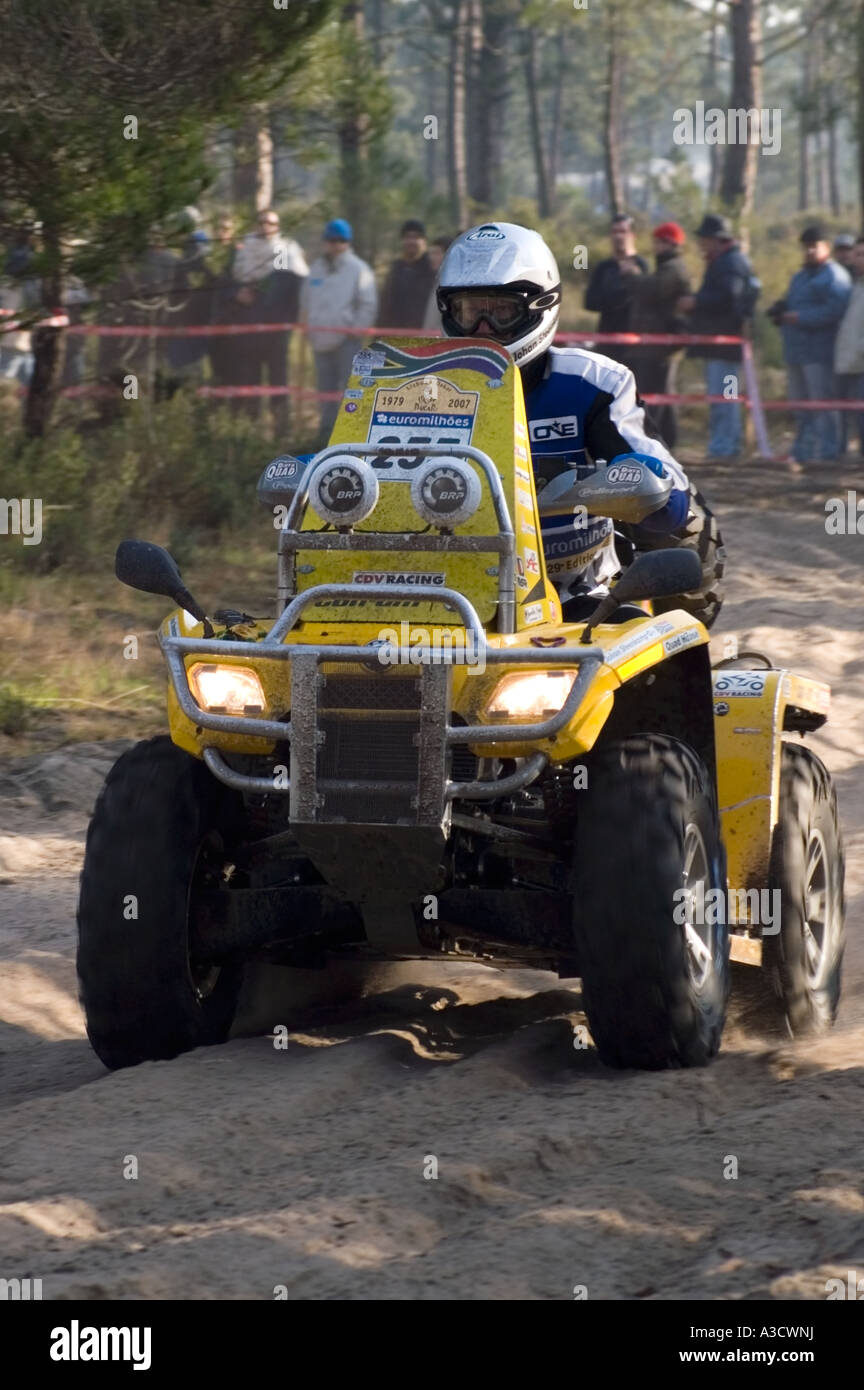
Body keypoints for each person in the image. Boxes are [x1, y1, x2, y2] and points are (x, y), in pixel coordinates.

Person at [436, 221, 720, 623]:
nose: (485, 329)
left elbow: (671, 505)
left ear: (541, 304)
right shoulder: (418, 387)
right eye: (470, 312)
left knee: (645, 652)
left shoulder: (593, 383)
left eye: (501, 311)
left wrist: (600, 483)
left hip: (572, 599)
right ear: (449, 311)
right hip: (436, 599)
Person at [679, 214, 760, 461]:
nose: (702, 244)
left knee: (725, 397)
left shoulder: (731, 263)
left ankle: (725, 447)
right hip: (722, 346)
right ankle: (725, 444)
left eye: (705, 239)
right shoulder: (726, 262)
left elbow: (729, 297)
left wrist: (696, 302)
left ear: (717, 239)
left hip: (725, 345)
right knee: (724, 397)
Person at [775, 223, 851, 464]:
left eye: (814, 246)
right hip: (796, 351)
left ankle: (827, 453)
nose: (809, 251)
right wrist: (781, 310)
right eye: (806, 247)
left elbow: (834, 311)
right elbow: (793, 302)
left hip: (820, 352)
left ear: (825, 247)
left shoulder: (835, 276)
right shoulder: (800, 276)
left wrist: (798, 317)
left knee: (822, 405)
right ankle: (804, 452)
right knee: (800, 406)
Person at [302, 218, 378, 443]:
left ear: (347, 242)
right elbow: (306, 302)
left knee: (349, 390)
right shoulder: (316, 269)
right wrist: (309, 330)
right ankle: (325, 433)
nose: (335, 245)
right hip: (319, 341)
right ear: (325, 241)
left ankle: (348, 437)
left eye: (340, 240)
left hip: (347, 342)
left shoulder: (358, 269)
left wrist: (355, 331)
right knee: (324, 391)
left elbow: (368, 304)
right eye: (332, 240)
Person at [232, 207, 308, 427]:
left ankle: (281, 428)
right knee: (250, 377)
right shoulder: (245, 248)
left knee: (278, 378)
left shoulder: (283, 249)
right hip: (249, 323)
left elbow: (282, 284)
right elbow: (237, 277)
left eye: (271, 223)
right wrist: (240, 293)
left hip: (276, 325)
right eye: (263, 222)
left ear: (278, 227)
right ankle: (250, 427)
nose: (266, 227)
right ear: (257, 224)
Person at [629, 222, 691, 450]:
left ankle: (659, 439)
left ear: (668, 242)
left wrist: (634, 276)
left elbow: (652, 291)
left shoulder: (673, 269)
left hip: (662, 344)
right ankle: (663, 439)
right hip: (659, 343)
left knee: (658, 393)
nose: (653, 246)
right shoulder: (669, 267)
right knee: (661, 393)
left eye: (657, 241)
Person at [584, 213, 647, 370]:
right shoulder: (604, 267)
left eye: (623, 231)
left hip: (633, 342)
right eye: (615, 231)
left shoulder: (641, 266)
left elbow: (645, 300)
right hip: (607, 340)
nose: (619, 236)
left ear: (632, 235)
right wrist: (614, 298)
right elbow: (589, 301)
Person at [833, 236, 864, 456]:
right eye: (856, 254)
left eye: (861, 255)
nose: (855, 259)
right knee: (843, 413)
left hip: (859, 362)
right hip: (847, 362)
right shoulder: (852, 285)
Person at [378, 219, 436, 329]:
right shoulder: (395, 269)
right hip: (394, 336)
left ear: (424, 241)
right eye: (408, 237)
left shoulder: (431, 270)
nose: (411, 241)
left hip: (423, 337)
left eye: (416, 237)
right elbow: (386, 306)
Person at [422, 236, 452, 332]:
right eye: (431, 253)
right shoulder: (438, 282)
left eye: (437, 253)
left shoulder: (451, 286)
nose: (432, 258)